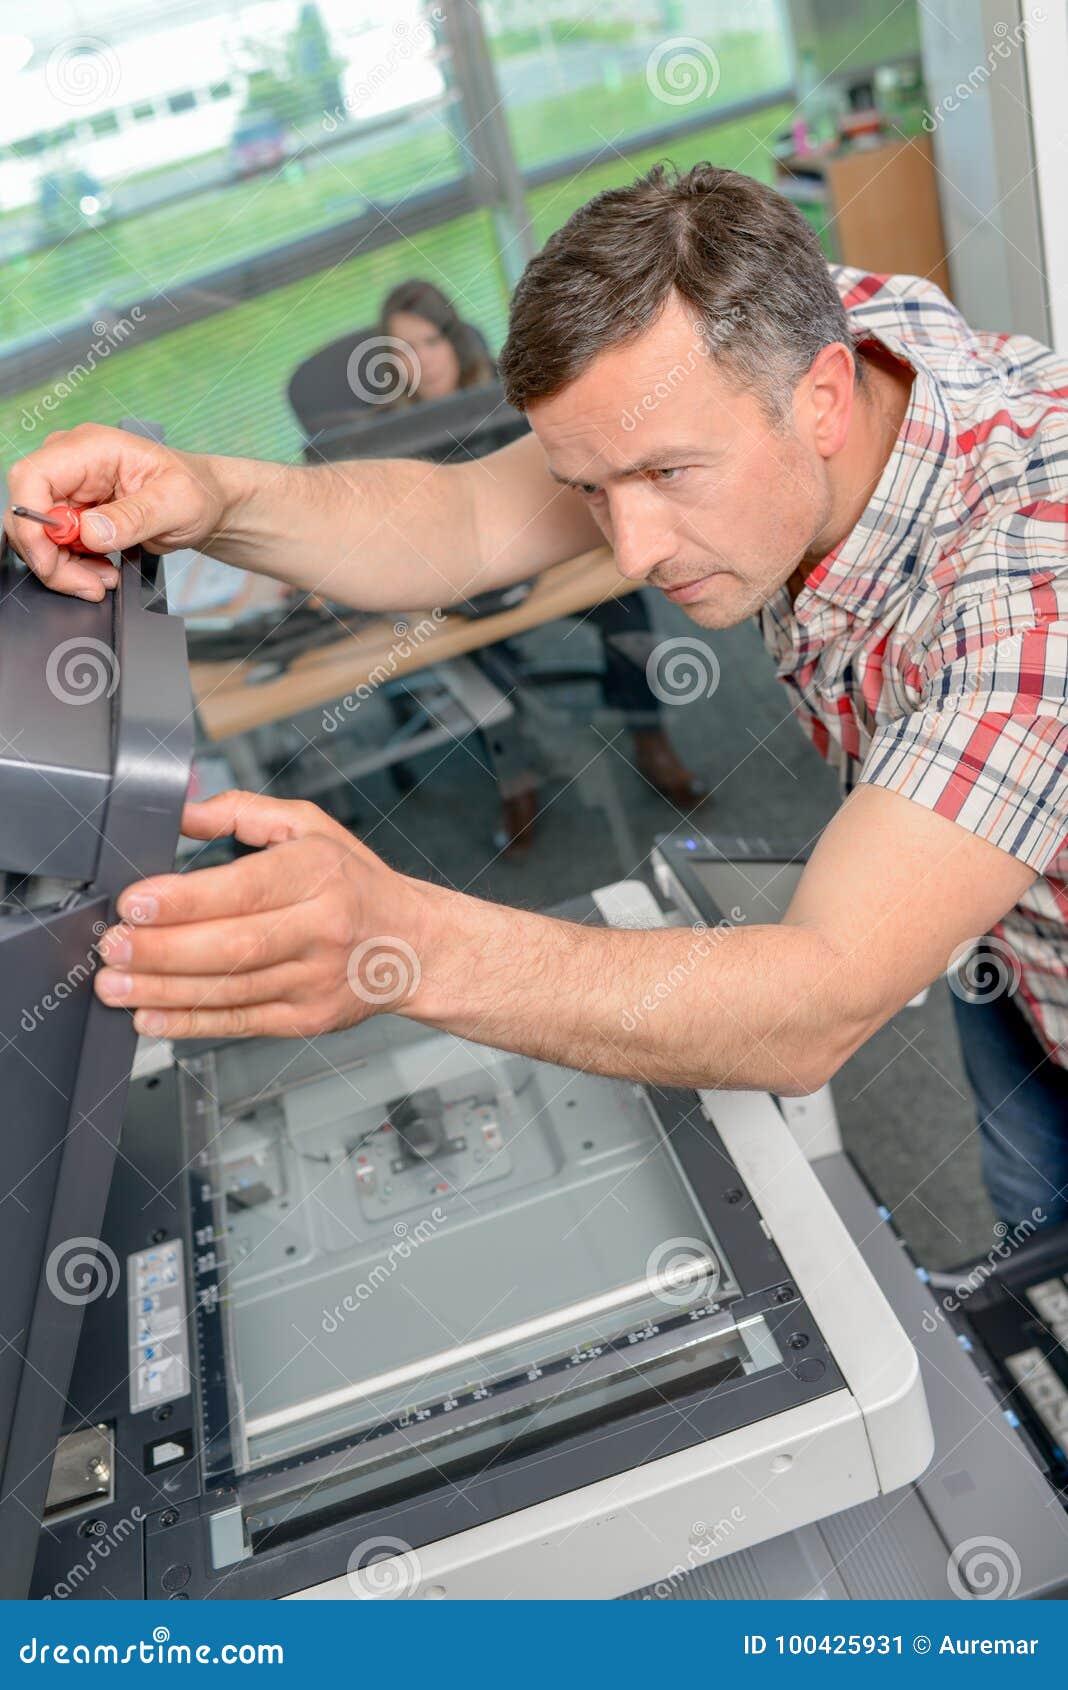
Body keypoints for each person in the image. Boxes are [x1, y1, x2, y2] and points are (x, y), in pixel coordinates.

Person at [10, 163, 1068, 1231]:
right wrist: (215, 494)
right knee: (1031, 1204)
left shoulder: (1033, 596)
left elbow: (814, 999)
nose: (632, 551)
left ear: (825, 400)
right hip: (1003, 937)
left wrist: (402, 944)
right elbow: (472, 518)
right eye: (594, 490)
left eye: (667, 474)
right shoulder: (789, 330)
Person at [378, 277, 707, 820]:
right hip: (467, 584)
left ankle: (651, 739)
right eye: (405, 349)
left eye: (431, 342)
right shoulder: (388, 433)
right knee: (479, 655)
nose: (423, 361)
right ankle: (517, 779)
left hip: (545, 559)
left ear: (455, 341)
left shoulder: (511, 395)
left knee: (626, 608)